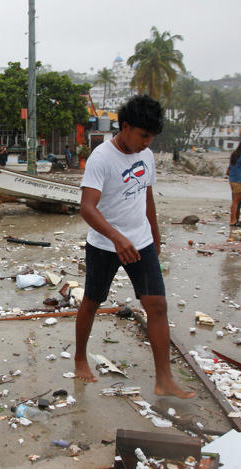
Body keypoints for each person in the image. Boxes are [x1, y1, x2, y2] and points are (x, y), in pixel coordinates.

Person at [73, 94, 195, 399]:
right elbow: (87, 207)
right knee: (92, 301)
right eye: (143, 135)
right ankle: (79, 359)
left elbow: (146, 197)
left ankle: (164, 380)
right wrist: (116, 237)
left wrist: (155, 236)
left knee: (157, 305)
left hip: (141, 242)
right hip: (104, 244)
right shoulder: (101, 158)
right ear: (125, 127)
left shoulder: (147, 155)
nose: (147, 142)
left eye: (152, 136)